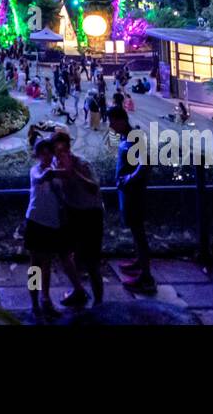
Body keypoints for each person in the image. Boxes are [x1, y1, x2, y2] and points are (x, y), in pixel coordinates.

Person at [52, 131, 104, 306]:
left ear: (69, 148)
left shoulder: (82, 164)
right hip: (71, 212)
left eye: (63, 149)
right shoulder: (54, 165)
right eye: (56, 151)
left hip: (90, 214)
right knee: (65, 253)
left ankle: (99, 303)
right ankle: (78, 290)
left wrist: (73, 172)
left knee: (91, 261)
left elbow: (94, 187)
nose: (59, 154)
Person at [109, 109, 156, 293]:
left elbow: (145, 164)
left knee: (138, 232)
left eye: (112, 121)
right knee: (135, 230)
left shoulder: (133, 139)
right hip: (128, 192)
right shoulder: (126, 137)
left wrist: (127, 180)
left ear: (121, 120)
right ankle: (139, 262)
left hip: (133, 193)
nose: (111, 126)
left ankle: (146, 277)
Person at [24, 134, 65, 319]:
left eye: (49, 153)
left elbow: (61, 193)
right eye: (43, 153)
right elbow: (40, 178)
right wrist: (49, 174)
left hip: (51, 222)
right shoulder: (35, 171)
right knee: (35, 265)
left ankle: (45, 299)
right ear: (38, 155)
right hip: (35, 220)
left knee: (47, 264)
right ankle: (34, 303)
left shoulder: (57, 172)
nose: (46, 156)